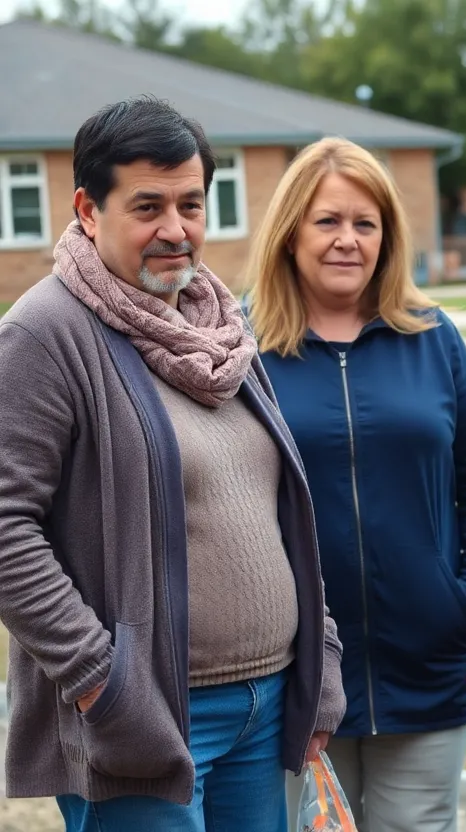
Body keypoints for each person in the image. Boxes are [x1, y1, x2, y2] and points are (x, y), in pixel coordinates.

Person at [0, 96, 345, 832]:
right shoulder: (44, 334)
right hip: (145, 718)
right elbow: (6, 530)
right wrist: (102, 682)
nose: (176, 229)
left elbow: (276, 509)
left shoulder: (220, 327)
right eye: (147, 206)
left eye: (191, 204)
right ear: (88, 209)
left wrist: (320, 655)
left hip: (265, 706)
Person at [244, 137, 466, 831]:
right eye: (328, 221)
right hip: (293, 666)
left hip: (426, 656)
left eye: (366, 224)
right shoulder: (242, 347)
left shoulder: (431, 337)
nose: (348, 240)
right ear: (291, 232)